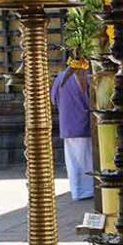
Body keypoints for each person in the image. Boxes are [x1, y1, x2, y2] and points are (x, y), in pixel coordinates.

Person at [51, 56, 94, 200]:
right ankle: (87, 191)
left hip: (67, 125)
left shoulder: (60, 78)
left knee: (73, 162)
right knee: (86, 161)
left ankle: (76, 191)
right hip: (84, 125)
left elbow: (53, 99)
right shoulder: (87, 77)